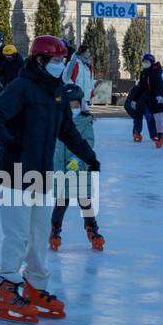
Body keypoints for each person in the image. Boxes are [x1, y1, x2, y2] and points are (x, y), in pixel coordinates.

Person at [0, 35, 101, 323]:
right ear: (40, 60)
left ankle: (35, 287)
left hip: (42, 173)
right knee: (17, 235)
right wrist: (10, 143)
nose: (61, 64)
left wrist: (89, 156)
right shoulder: (21, 87)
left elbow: (67, 130)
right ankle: (7, 289)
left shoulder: (57, 91)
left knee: (38, 235)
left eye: (63, 59)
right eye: (56, 60)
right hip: (14, 173)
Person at [49, 83, 104, 252]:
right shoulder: (56, 121)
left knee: (85, 201)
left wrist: (76, 161)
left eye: (76, 105)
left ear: (81, 104)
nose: (73, 108)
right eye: (70, 105)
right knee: (61, 203)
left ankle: (92, 228)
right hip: (60, 169)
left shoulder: (85, 121)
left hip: (80, 170)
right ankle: (55, 230)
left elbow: (88, 143)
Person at [129, 53, 163, 147]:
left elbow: (158, 85)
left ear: (152, 63)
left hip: (161, 97)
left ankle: (160, 137)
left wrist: (159, 95)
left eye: (147, 62)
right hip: (152, 98)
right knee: (157, 117)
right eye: (144, 62)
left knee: (158, 116)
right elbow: (141, 88)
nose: (145, 63)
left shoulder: (155, 72)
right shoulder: (144, 73)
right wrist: (134, 99)